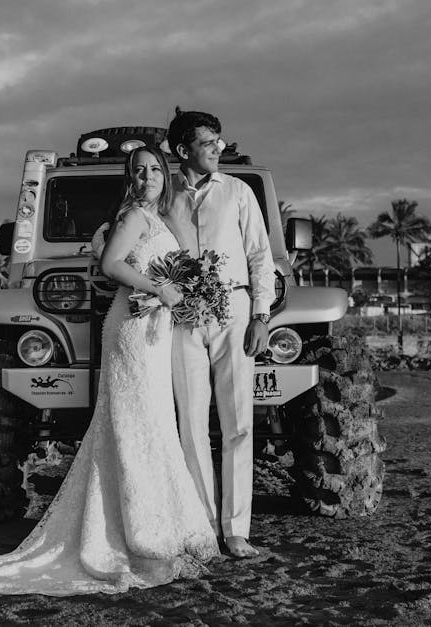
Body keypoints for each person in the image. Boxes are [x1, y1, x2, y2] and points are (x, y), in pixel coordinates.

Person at [0, 146, 219, 597]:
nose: (149, 176)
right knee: (133, 422)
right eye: (140, 170)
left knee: (151, 422)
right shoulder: (133, 216)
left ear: (164, 176)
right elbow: (111, 264)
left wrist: (187, 297)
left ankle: (155, 527)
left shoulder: (162, 220)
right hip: (132, 326)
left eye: (155, 169)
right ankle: (136, 534)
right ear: (131, 179)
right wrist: (160, 288)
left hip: (153, 326)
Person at [167, 109, 276, 559]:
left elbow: (259, 255)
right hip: (180, 316)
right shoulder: (161, 194)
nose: (218, 148)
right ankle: (201, 527)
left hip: (234, 309)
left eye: (219, 141)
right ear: (183, 150)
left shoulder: (239, 191)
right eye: (209, 142)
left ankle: (235, 531)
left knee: (237, 423)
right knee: (190, 425)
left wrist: (262, 315)